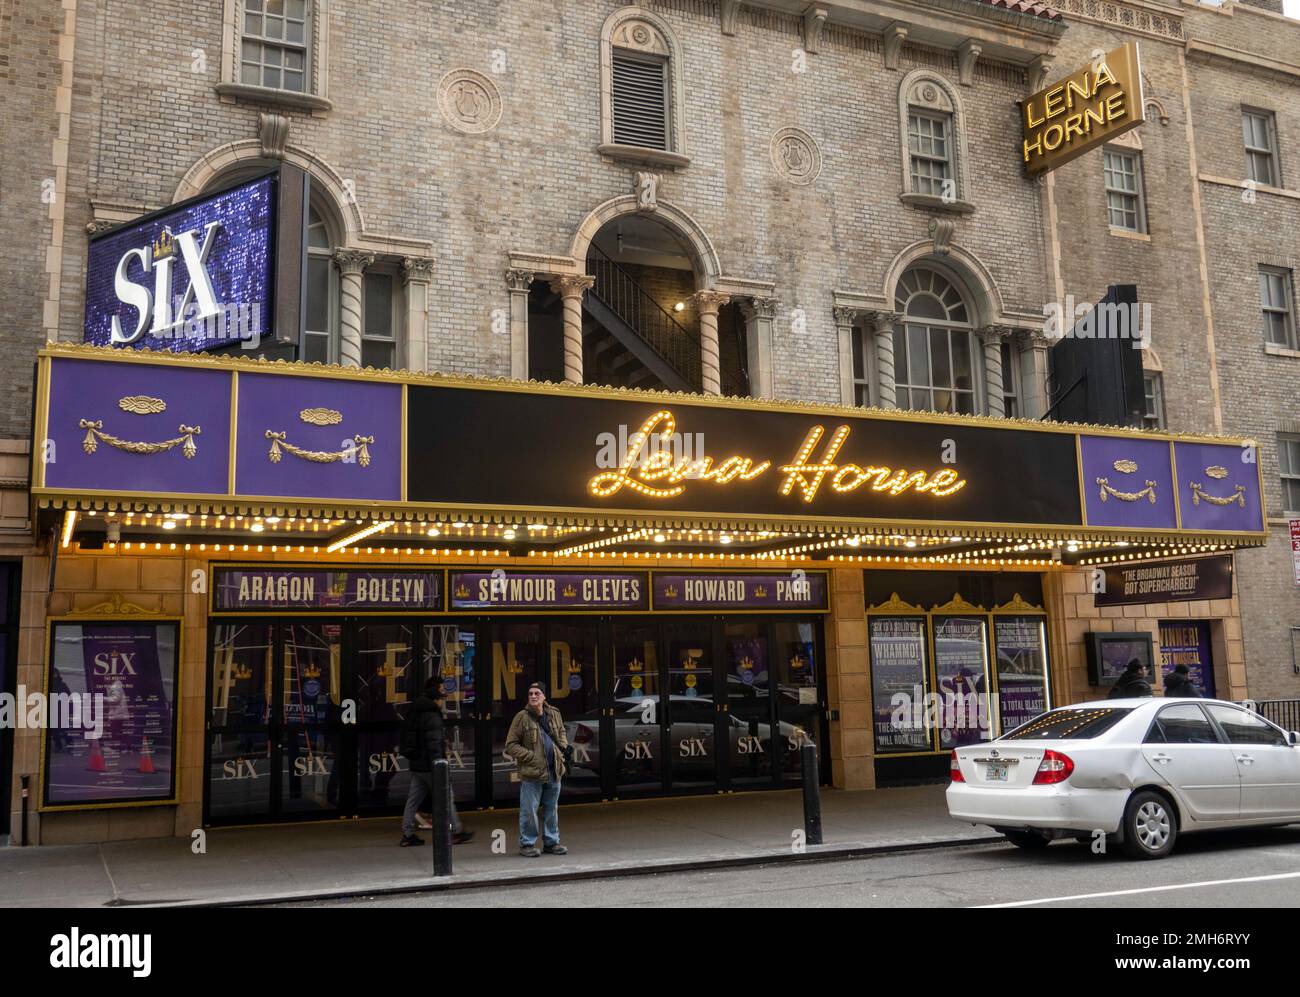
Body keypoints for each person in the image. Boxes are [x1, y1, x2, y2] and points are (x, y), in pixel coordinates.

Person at [399, 679, 472, 847]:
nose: (442, 702)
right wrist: (440, 765)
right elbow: (434, 743)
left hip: (417, 763)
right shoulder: (432, 715)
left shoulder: (415, 710)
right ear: (435, 699)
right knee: (447, 797)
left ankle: (407, 833)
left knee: (413, 800)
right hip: (431, 765)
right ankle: (456, 831)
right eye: (441, 698)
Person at [505, 681, 570, 858]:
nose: (533, 696)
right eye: (530, 693)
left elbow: (562, 733)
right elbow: (510, 745)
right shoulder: (522, 717)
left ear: (544, 696)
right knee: (529, 810)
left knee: (551, 809)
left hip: (554, 770)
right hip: (532, 773)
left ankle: (551, 842)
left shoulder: (554, 713)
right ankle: (527, 844)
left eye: (537, 693)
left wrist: (562, 749)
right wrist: (531, 757)